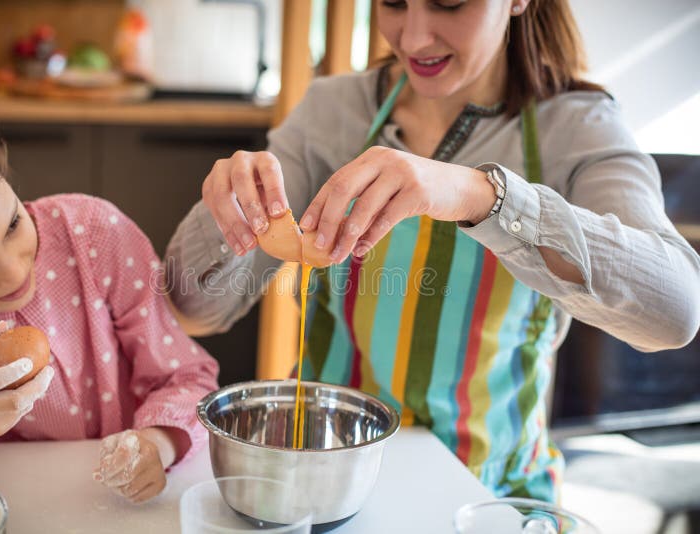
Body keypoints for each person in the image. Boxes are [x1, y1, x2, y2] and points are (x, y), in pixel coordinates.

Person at [165, 0, 700, 502]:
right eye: (394, 3)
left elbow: (675, 312)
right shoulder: (334, 111)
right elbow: (195, 311)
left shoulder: (577, 128)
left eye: (449, 2)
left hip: (488, 500)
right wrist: (231, 211)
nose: (414, 38)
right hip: (324, 488)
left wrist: (483, 197)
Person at [0, 92, 219, 504]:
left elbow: (185, 377)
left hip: (107, 503)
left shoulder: (94, 234)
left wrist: (158, 445)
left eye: (12, 225)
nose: (14, 272)